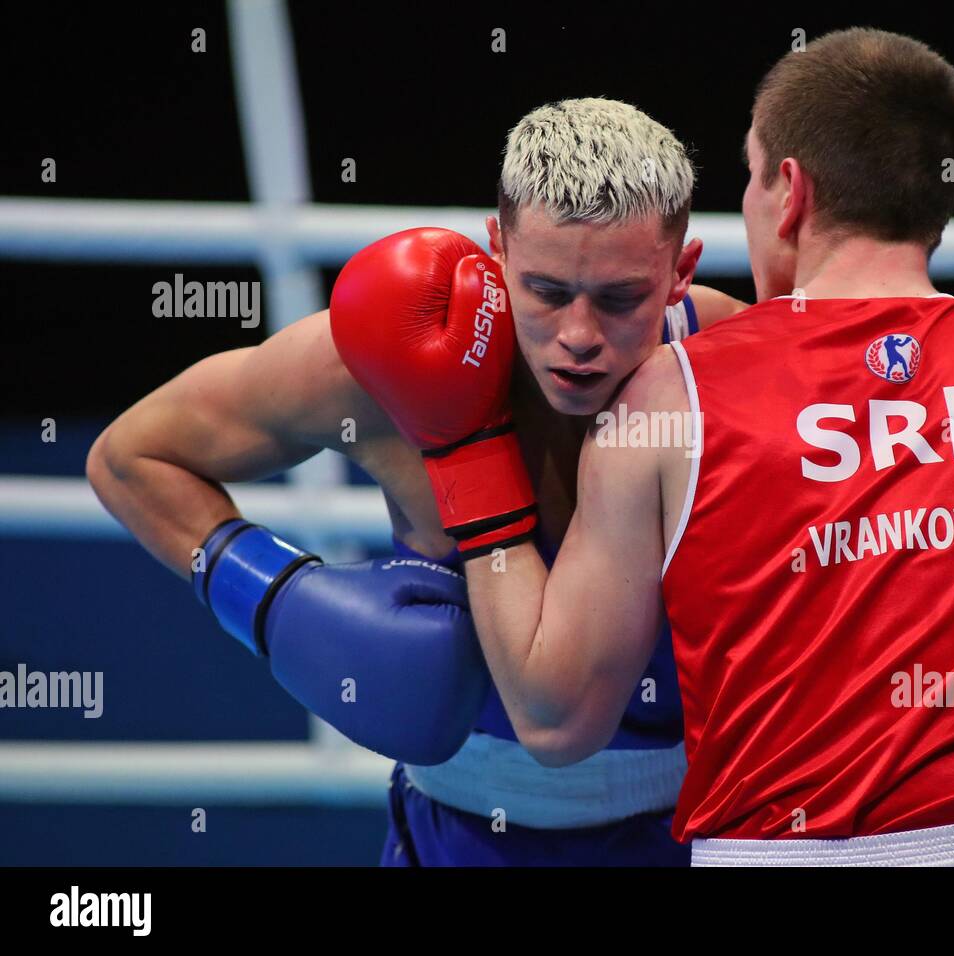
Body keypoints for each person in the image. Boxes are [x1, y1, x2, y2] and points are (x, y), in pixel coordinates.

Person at [340, 28, 954, 866]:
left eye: (747, 177)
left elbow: (556, 716)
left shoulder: (676, 391)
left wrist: (463, 449)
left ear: (789, 190)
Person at [86, 98, 746, 866]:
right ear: (495, 248)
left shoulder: (732, 373)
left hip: (695, 840)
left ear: (680, 273)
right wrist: (270, 598)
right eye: (546, 291)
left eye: (619, 299)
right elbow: (131, 458)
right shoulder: (384, 370)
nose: (578, 337)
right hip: (454, 840)